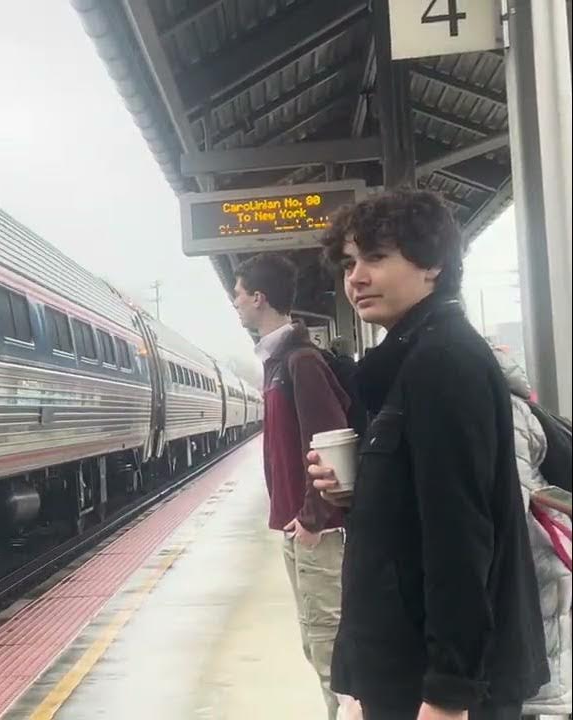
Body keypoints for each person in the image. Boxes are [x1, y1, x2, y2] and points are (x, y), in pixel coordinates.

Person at [308, 189, 548, 720]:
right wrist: (358, 490)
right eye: (350, 263)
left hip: (429, 679)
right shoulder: (414, 357)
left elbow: (461, 535)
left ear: (433, 264)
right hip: (403, 663)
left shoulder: (442, 363)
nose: (356, 278)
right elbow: (419, 506)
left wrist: (446, 693)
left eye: (376, 258)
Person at [231, 253, 352, 719]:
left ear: (259, 299)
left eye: (239, 294)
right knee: (315, 642)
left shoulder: (299, 361)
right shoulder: (278, 361)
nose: (236, 303)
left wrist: (312, 518)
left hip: (316, 533)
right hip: (299, 528)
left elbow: (330, 443)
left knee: (329, 652)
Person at [491, 346, 572, 718]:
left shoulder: (504, 409)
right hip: (539, 562)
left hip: (536, 565)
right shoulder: (511, 403)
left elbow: (512, 503)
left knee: (529, 694)